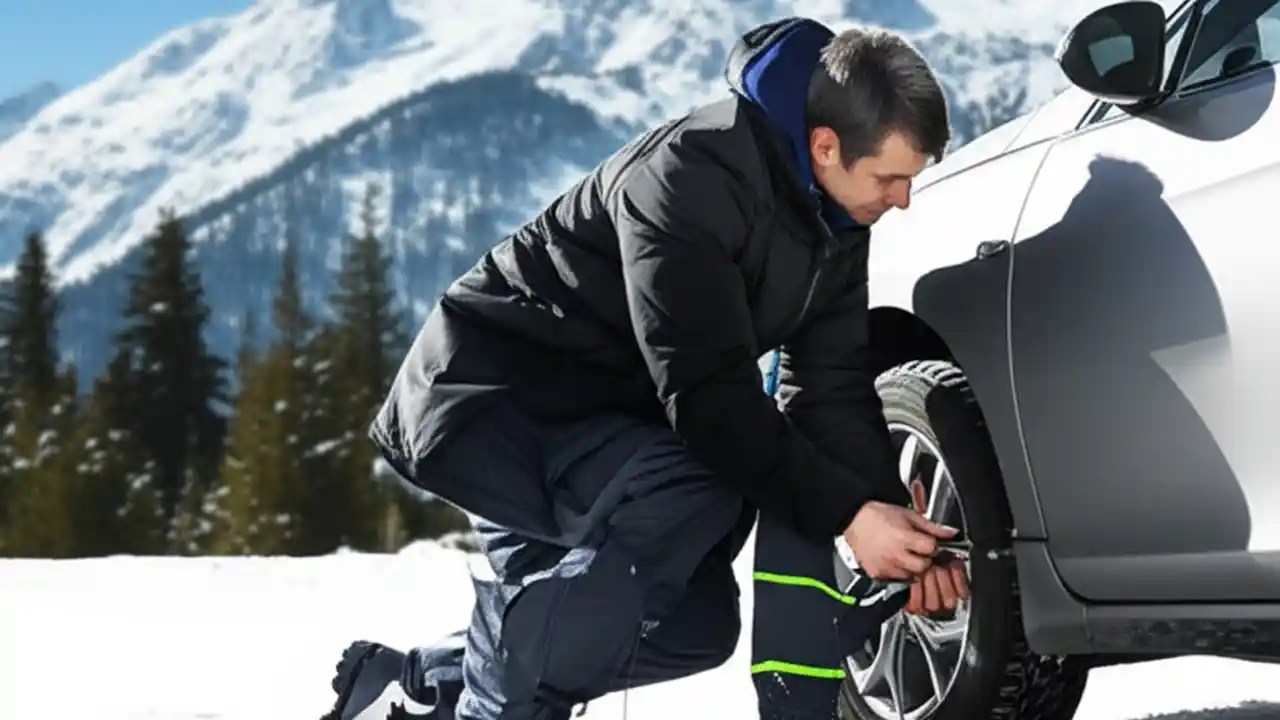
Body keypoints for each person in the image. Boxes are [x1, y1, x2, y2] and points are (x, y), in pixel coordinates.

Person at [323, 16, 968, 720]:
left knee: (695, 626)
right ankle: (493, 706)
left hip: (610, 429)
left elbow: (829, 390)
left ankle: (419, 684)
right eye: (891, 177)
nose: (903, 199)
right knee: (700, 486)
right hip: (502, 401)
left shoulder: (837, 219)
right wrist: (848, 514)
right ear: (825, 145)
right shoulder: (690, 175)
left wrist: (896, 530)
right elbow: (708, 399)